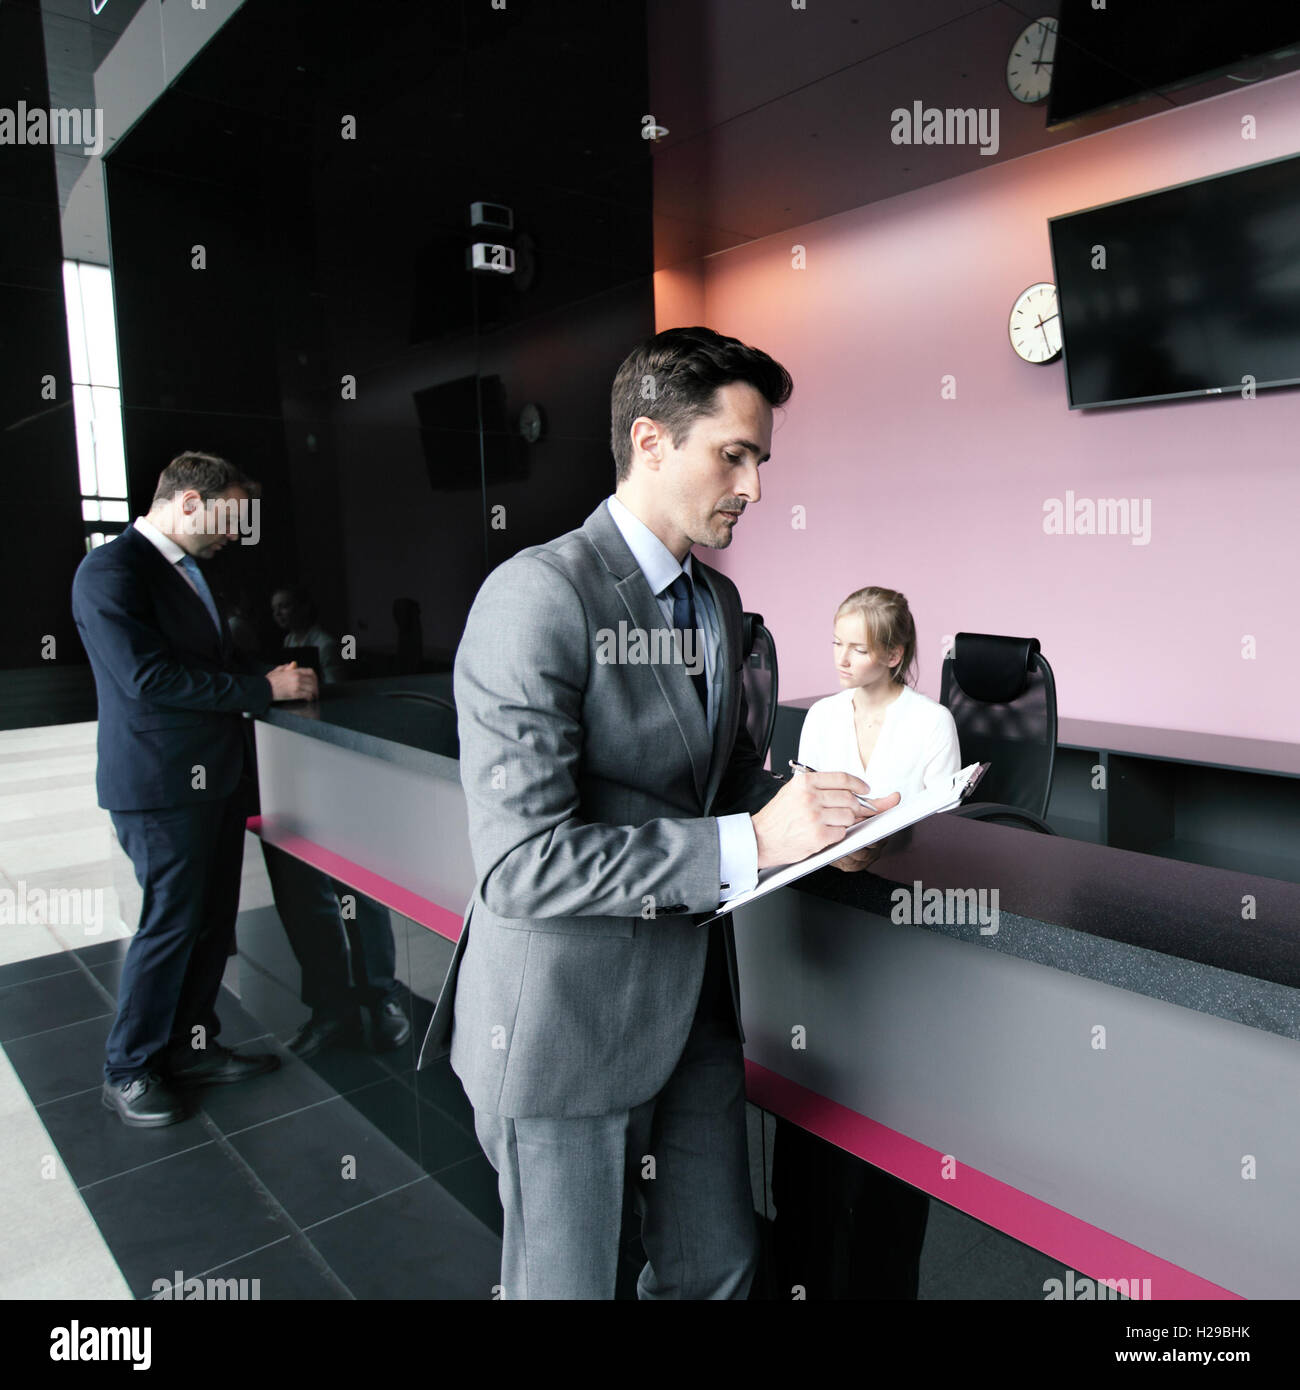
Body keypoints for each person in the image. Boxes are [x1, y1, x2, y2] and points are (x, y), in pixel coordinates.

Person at [415, 325, 900, 1299]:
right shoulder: (536, 597)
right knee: (570, 1286)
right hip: (562, 1025)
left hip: (691, 1011)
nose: (754, 486)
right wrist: (753, 841)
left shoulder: (716, 604)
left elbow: (710, 787)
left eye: (760, 458)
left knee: (718, 1266)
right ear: (649, 442)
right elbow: (522, 866)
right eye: (733, 454)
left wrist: (815, 817)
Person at [71, 451, 319, 1128]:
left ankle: (191, 1046)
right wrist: (260, 690)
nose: (235, 534)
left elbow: (205, 662)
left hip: (211, 781)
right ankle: (128, 1069)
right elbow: (145, 678)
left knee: (211, 927)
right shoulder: (111, 571)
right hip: (158, 785)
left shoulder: (189, 573)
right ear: (186, 502)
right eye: (229, 517)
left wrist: (266, 674)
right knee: (171, 925)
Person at [772, 586, 960, 1299]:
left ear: (895, 654)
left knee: (890, 1090)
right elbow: (807, 800)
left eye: (856, 647)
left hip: (902, 910)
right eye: (835, 644)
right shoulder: (820, 716)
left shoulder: (933, 723)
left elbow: (943, 829)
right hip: (831, 898)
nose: (841, 658)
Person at [260, 589, 411, 1058]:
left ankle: (380, 994)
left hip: (339, 762)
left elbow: (336, 694)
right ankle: (334, 1007)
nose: (283, 613)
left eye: (289, 605)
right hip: (284, 762)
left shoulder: (325, 643)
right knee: (308, 895)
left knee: (359, 888)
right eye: (277, 608)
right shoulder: (284, 643)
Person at [270, 584, 346, 685]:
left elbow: (336, 686)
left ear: (304, 607)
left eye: (284, 606)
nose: (277, 613)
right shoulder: (289, 639)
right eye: (274, 609)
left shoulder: (326, 645)